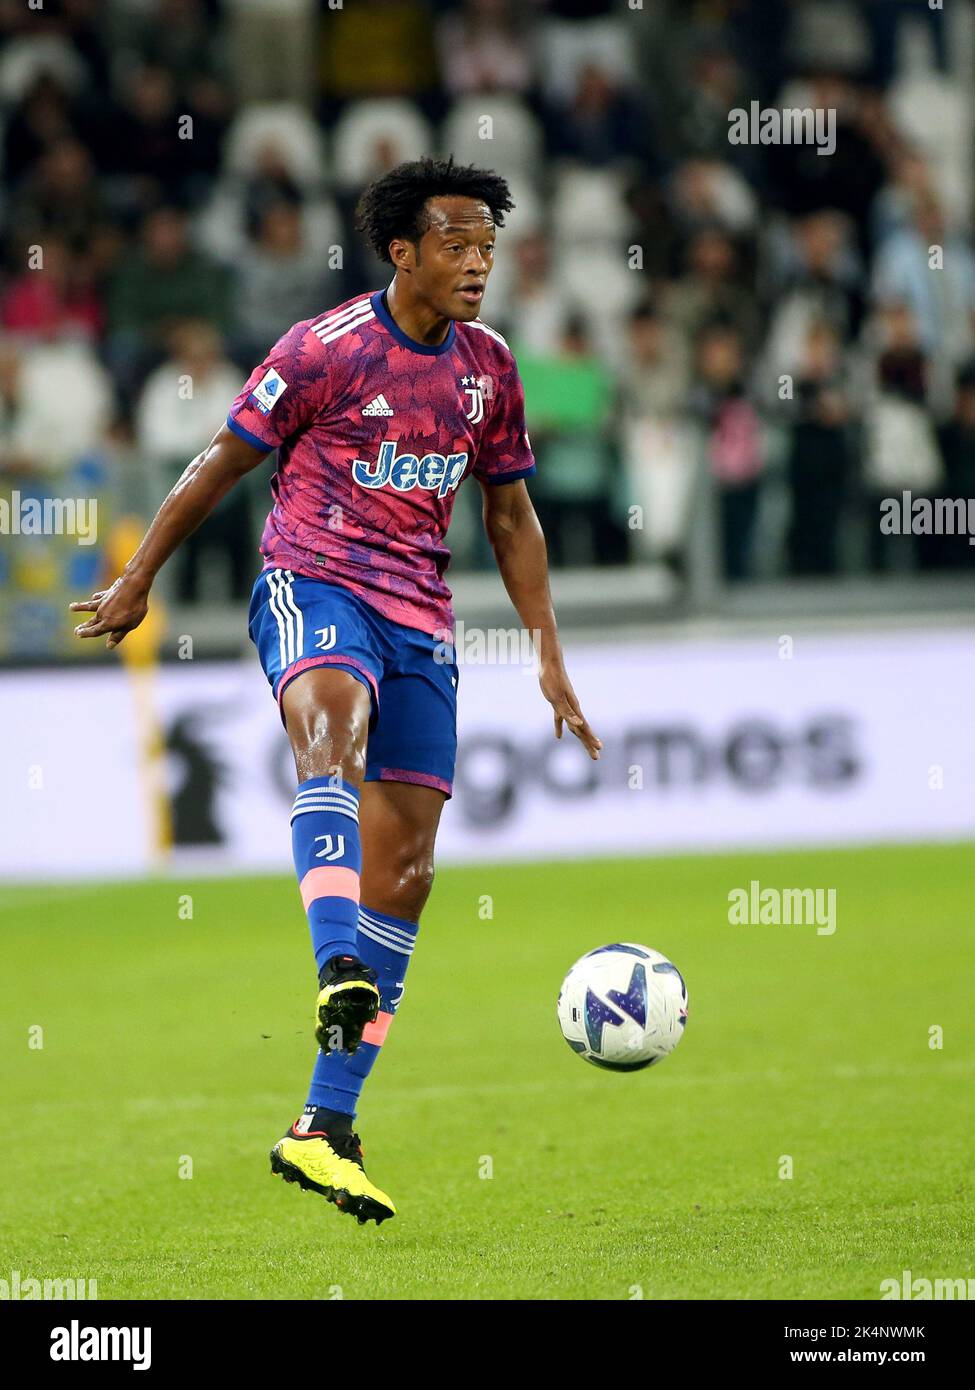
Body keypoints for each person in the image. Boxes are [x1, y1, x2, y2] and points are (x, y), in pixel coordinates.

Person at [69, 156, 601, 1225]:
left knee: (405, 863)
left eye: (487, 248)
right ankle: (338, 960)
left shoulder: (489, 369)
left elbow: (510, 517)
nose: (476, 266)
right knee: (331, 731)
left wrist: (547, 647)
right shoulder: (323, 349)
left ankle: (324, 1128)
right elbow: (217, 464)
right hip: (312, 581)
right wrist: (136, 579)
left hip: (422, 617)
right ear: (401, 250)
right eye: (456, 245)